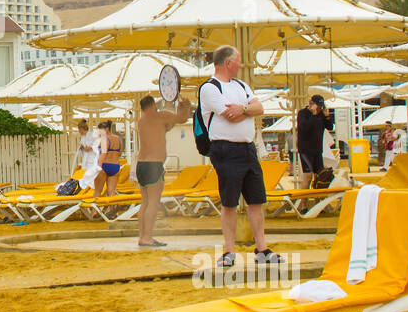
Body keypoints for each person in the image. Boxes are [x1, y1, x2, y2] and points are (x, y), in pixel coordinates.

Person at [199, 45, 282, 268]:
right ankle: (229, 250)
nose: (240, 65)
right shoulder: (209, 88)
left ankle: (262, 248)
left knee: (257, 200)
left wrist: (243, 108)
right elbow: (230, 115)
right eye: (237, 61)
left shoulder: (241, 85)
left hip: (247, 148)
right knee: (229, 203)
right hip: (225, 150)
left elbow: (259, 108)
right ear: (228, 63)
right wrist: (247, 109)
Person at [133, 94, 194, 247]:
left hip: (141, 165)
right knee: (153, 202)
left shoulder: (141, 121)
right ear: (154, 105)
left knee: (145, 202)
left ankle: (142, 236)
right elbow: (181, 119)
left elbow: (165, 127)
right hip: (154, 165)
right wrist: (185, 107)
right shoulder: (160, 116)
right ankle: (147, 237)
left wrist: (178, 110)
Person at [295, 94, 335, 188]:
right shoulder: (303, 113)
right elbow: (304, 129)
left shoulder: (321, 114)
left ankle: (318, 200)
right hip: (305, 150)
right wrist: (313, 114)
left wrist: (327, 116)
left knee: (320, 177)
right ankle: (303, 201)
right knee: (308, 176)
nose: (319, 108)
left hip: (317, 150)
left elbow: (330, 127)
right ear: (311, 103)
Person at [93, 120, 123, 197]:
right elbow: (119, 153)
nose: (100, 133)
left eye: (100, 130)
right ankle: (113, 209)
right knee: (111, 192)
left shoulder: (104, 139)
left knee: (97, 192)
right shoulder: (118, 139)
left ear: (106, 129)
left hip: (104, 166)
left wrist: (98, 166)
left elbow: (103, 153)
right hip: (115, 166)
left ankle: (94, 209)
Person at [72, 119, 100, 187]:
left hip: (91, 157)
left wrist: (90, 147)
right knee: (85, 172)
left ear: (82, 129)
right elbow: (84, 147)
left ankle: (92, 185)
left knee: (91, 172)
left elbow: (96, 144)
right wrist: (82, 147)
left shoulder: (91, 135)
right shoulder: (83, 137)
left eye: (79, 130)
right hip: (86, 157)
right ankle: (85, 186)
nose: (79, 131)